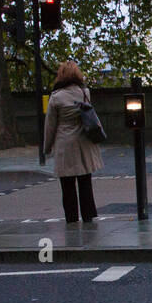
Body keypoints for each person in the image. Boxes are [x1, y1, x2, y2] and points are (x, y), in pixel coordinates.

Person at [43, 60, 103, 223]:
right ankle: (88, 215)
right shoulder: (85, 93)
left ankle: (71, 216)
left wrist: (47, 147)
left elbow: (50, 125)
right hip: (84, 141)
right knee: (85, 181)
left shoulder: (56, 97)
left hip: (64, 143)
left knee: (67, 185)